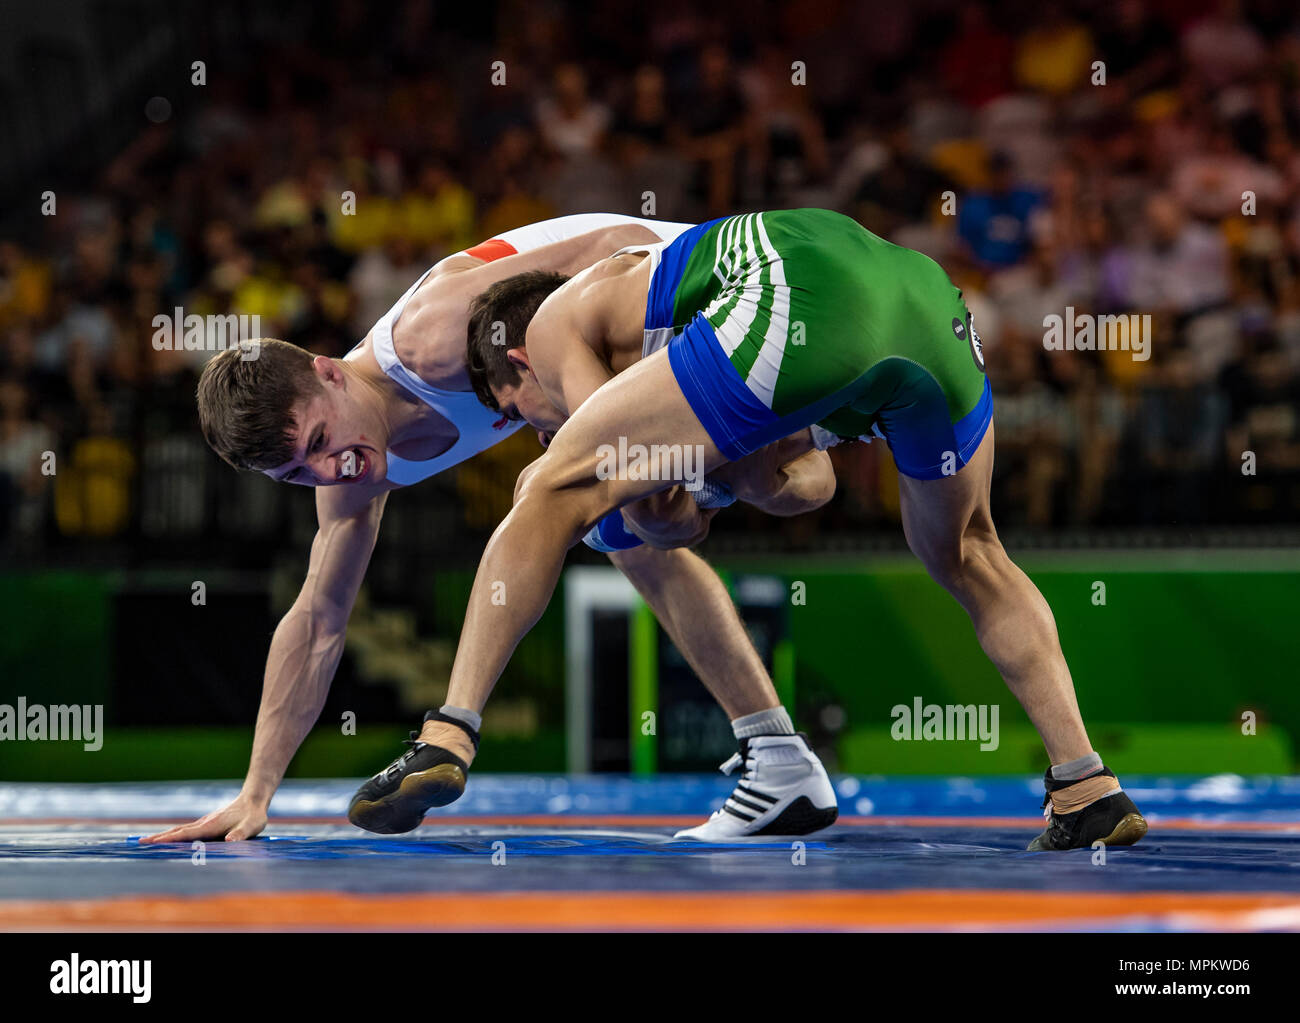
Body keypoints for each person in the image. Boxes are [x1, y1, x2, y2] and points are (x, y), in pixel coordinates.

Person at [404, 208, 1147, 852]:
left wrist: (662, 499)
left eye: (518, 408)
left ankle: (448, 731)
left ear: (522, 361)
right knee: (966, 550)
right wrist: (728, 479)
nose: (534, 428)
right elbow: (806, 485)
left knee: (548, 489)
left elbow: (636, 499)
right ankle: (1086, 785)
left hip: (800, 288)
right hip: (923, 303)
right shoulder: (703, 353)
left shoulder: (556, 319)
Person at [141, 213, 838, 847]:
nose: (335, 467)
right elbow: (319, 619)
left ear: (328, 371)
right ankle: (781, 760)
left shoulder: (435, 333)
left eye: (323, 438)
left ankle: (452, 731)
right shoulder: (350, 486)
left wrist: (639, 389)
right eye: (302, 472)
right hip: (658, 330)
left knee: (580, 502)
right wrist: (255, 793)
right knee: (632, 531)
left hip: (695, 279)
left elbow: (610, 251)